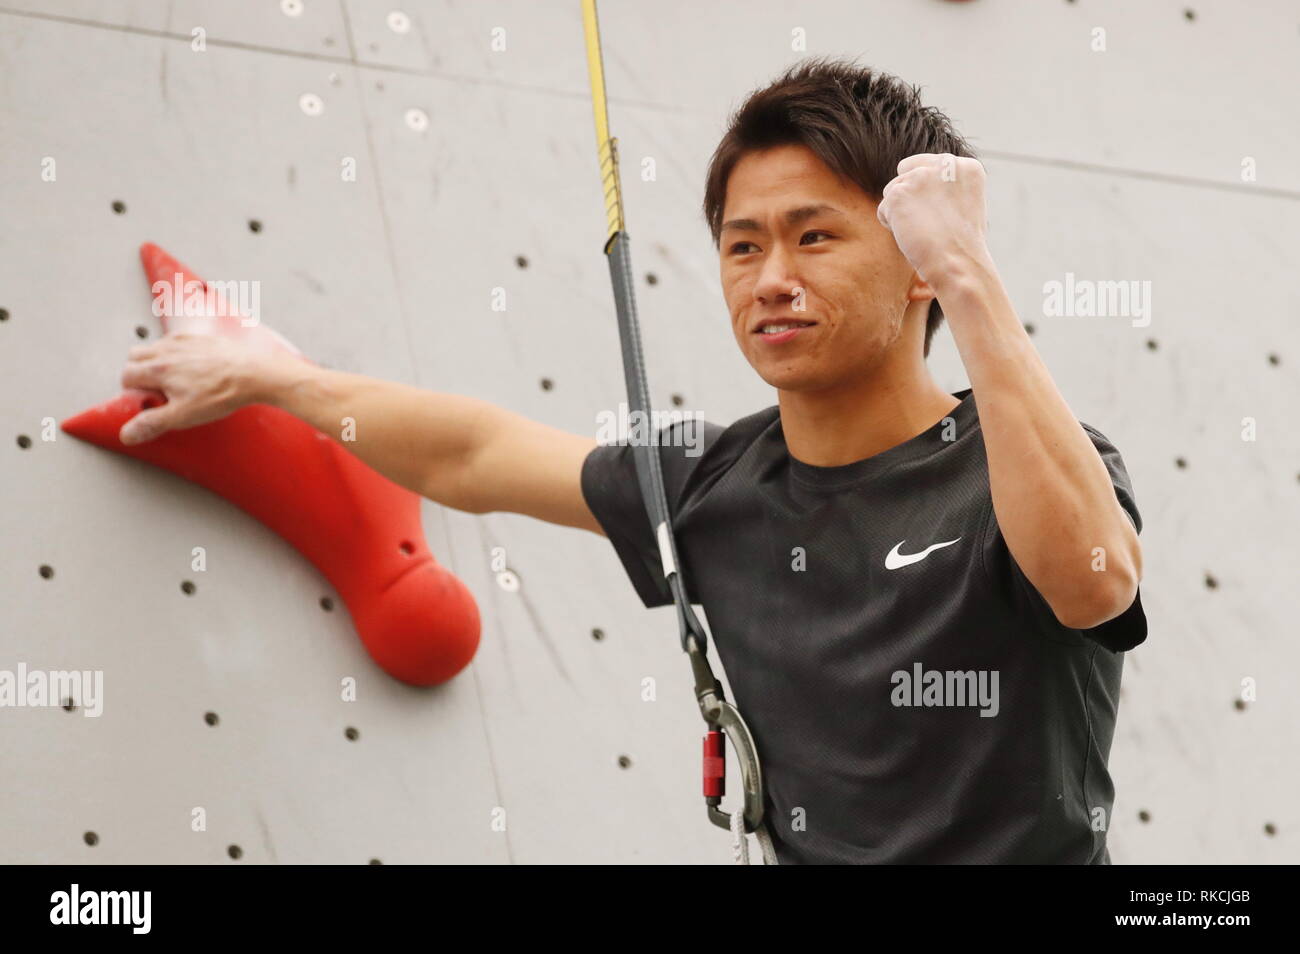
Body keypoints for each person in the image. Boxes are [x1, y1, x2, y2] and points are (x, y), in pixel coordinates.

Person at [118, 57, 1146, 864]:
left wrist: (966, 270)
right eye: (743, 247)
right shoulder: (711, 485)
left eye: (815, 237)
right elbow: (476, 452)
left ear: (916, 265)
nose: (771, 279)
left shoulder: (1028, 459)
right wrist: (268, 379)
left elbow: (1091, 583)